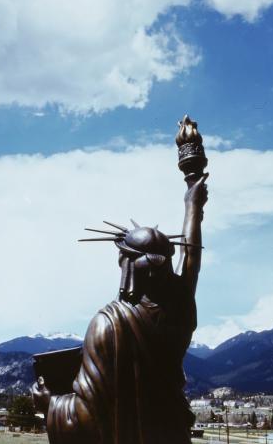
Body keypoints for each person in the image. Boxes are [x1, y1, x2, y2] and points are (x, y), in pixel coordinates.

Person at [32, 173, 208, 444]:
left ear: (126, 265)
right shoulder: (179, 311)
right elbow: (191, 259)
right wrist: (192, 201)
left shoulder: (107, 325)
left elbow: (87, 413)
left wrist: (51, 404)